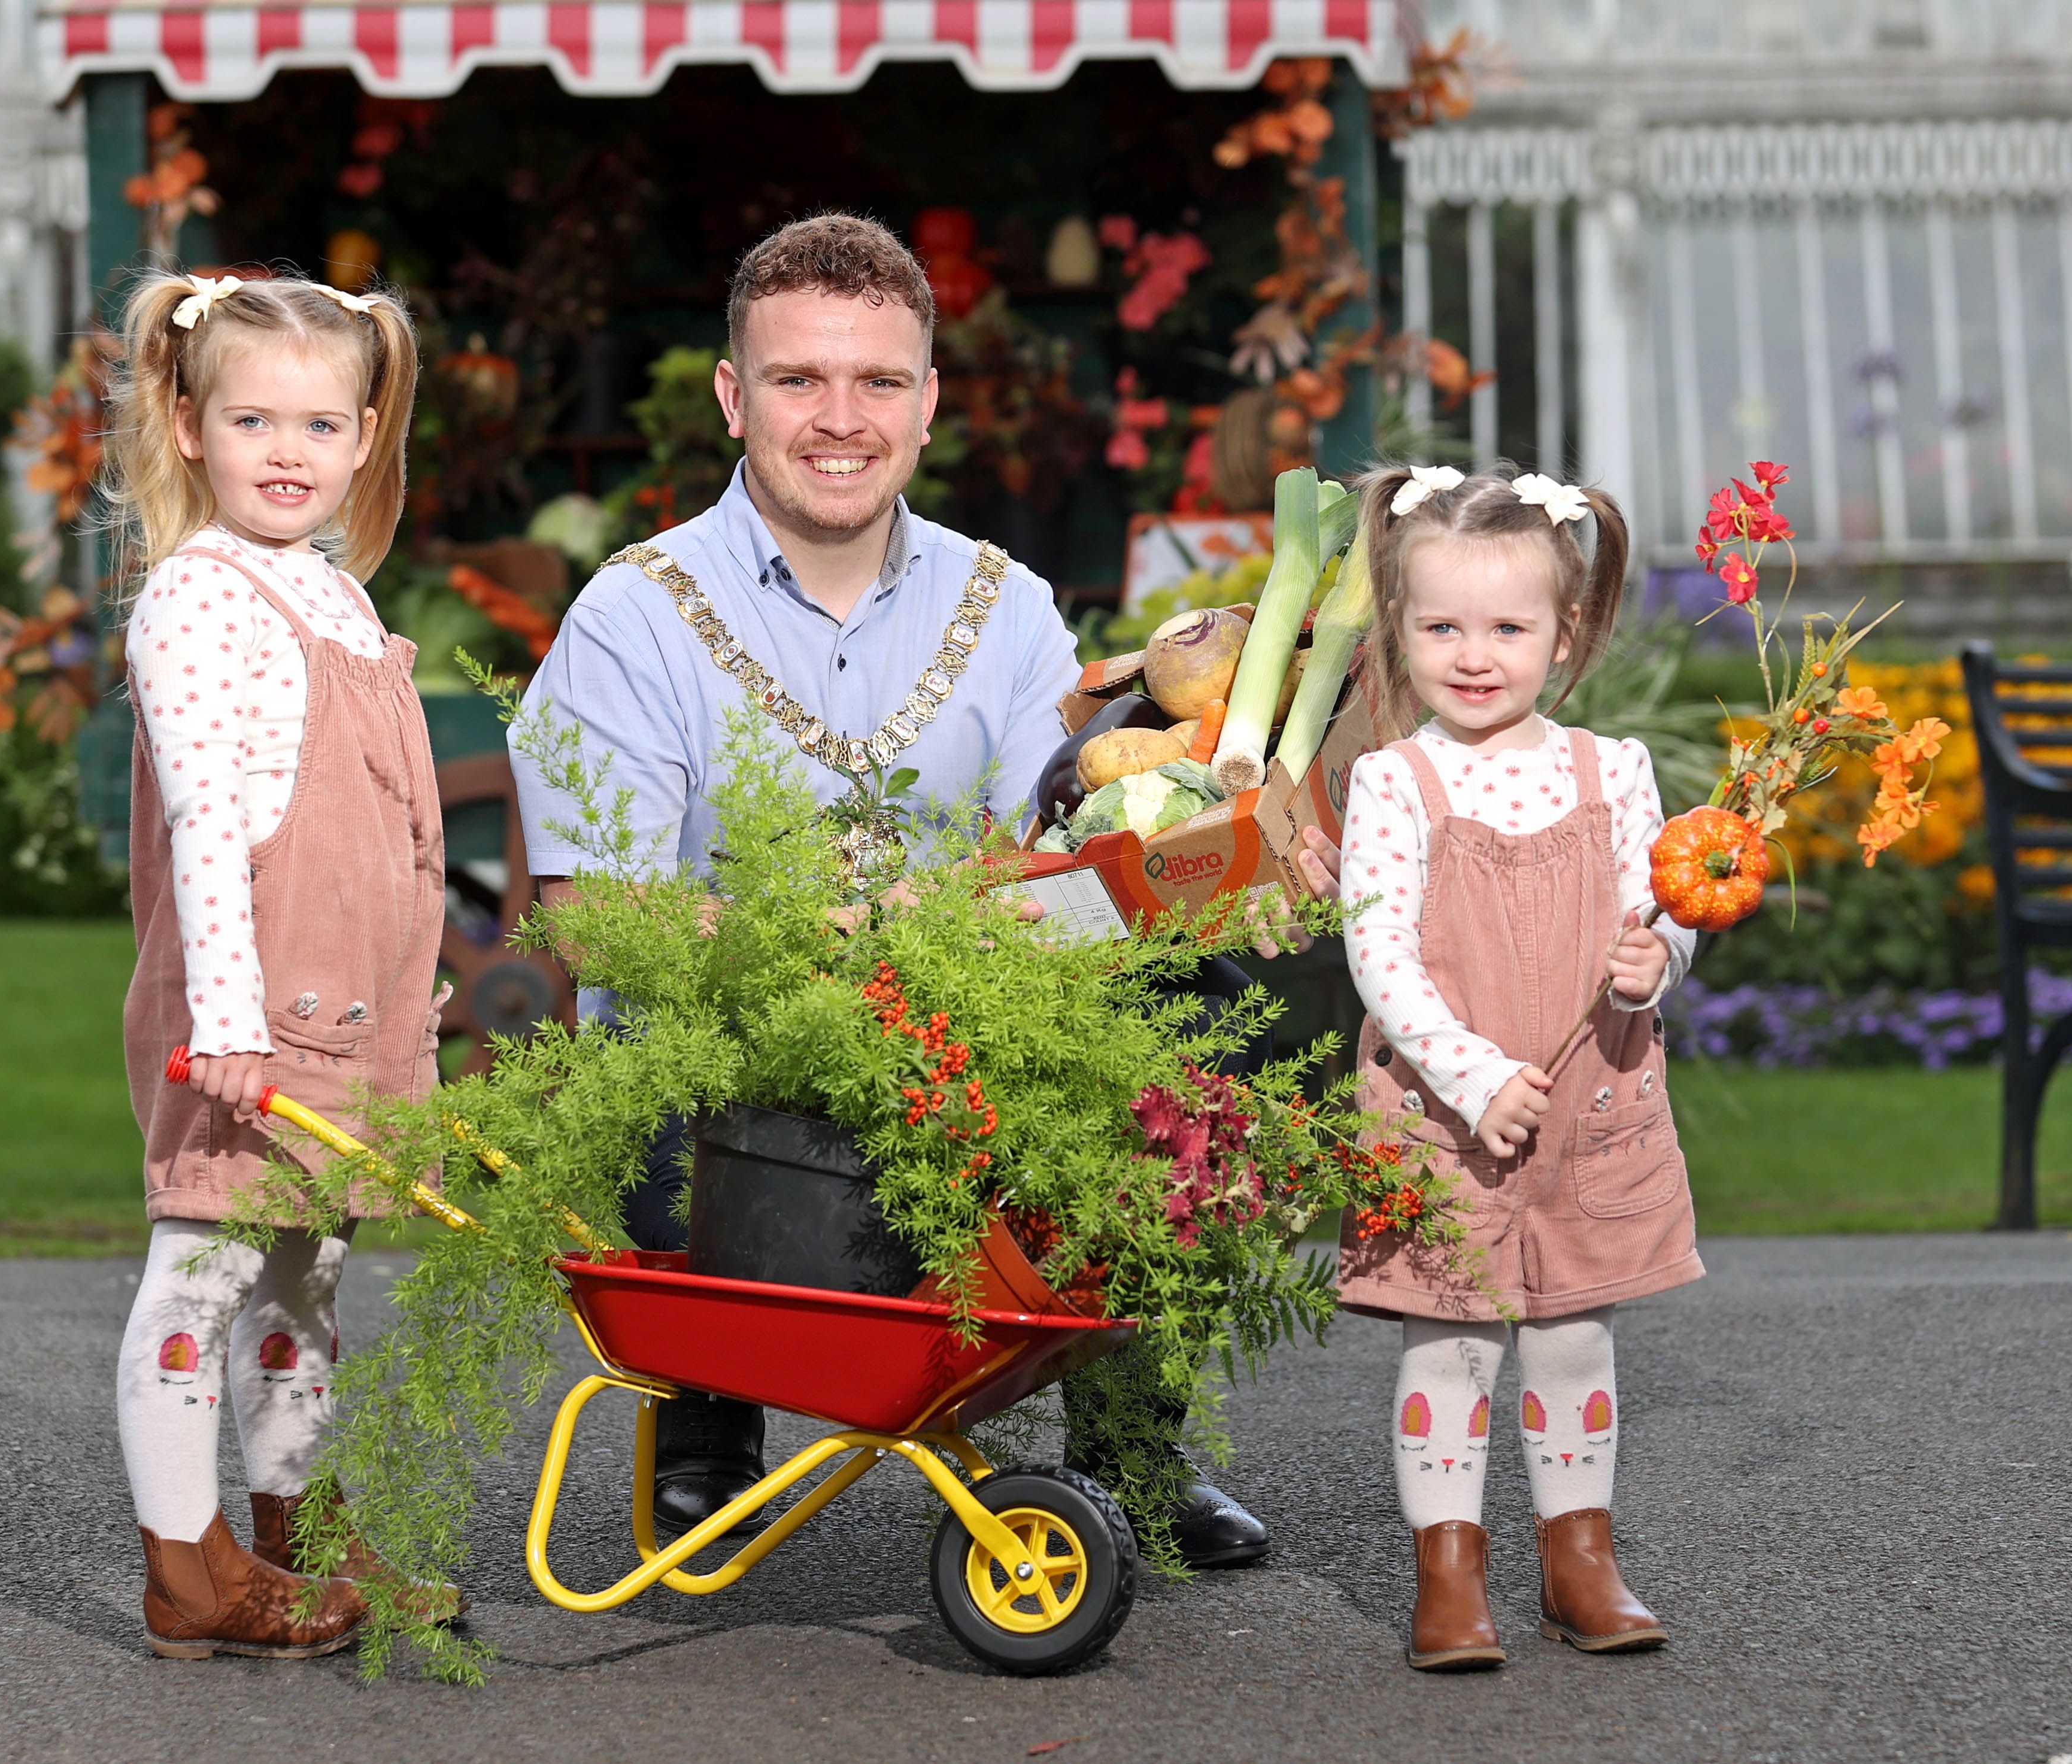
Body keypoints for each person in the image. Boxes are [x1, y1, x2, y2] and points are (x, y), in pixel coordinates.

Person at [511, 214, 1334, 1568]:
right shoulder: (634, 614)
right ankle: (704, 1420)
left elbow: (1068, 852)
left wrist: (1211, 868)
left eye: (878, 381)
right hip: (731, 1057)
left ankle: (1129, 1439)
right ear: (733, 396)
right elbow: (595, 919)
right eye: (799, 379)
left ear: (928, 399)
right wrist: (821, 942)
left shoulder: (1003, 604)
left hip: (965, 1035)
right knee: (684, 1056)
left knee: (1199, 1002)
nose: (841, 419)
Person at [105, 269, 442, 1659]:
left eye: (321, 423)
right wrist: (232, 1022)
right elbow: (206, 824)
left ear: (365, 437)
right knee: (205, 1267)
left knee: (305, 1279)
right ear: (191, 427)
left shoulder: (335, 595)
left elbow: (378, 825)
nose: (288, 451)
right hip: (249, 1020)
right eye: (254, 421)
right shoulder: (198, 599)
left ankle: (298, 1528)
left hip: (346, 1010)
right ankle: (188, 1569)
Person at [1333, 463, 1701, 1672]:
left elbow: (1660, 910)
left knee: (1573, 1336)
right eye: (1442, 627)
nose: (1474, 655)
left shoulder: (1612, 769)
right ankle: (1449, 1573)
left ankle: (1578, 1558)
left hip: (1591, 1106)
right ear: (1399, 626)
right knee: (1450, 1342)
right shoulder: (1396, 779)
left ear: (1565, 632)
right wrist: (1473, 1075)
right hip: (1449, 1116)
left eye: (1507, 628)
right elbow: (1380, 953)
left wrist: (1657, 961)